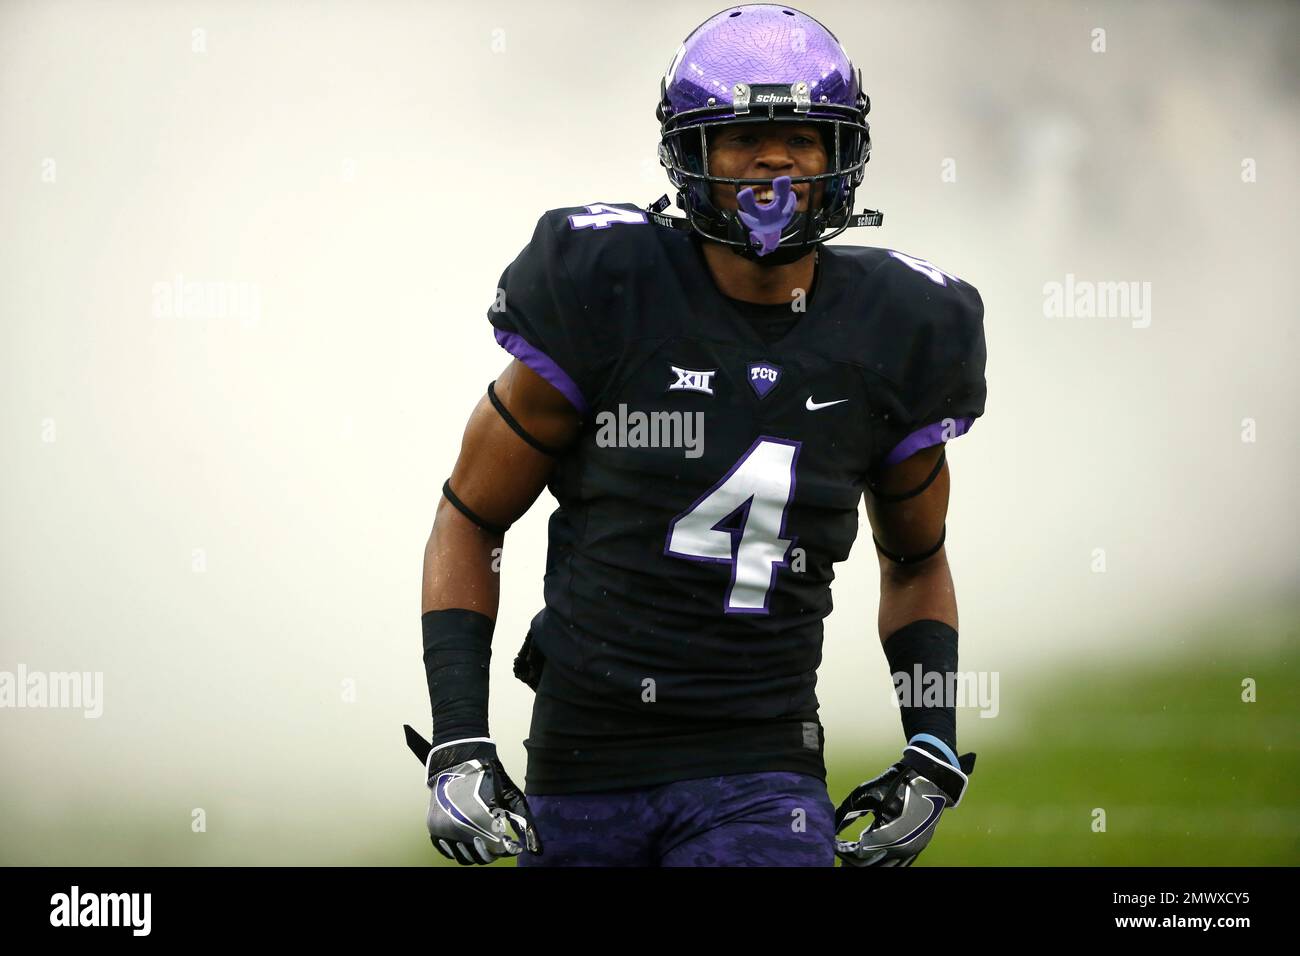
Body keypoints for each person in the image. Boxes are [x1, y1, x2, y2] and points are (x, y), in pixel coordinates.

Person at [404, 2, 986, 867]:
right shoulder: (606, 282)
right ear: (690, 154)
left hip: (761, 761)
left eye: (803, 134)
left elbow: (916, 557)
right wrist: (459, 734)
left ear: (842, 155)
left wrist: (931, 744)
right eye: (744, 135)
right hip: (582, 759)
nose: (777, 158)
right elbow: (471, 514)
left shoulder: (902, 324)